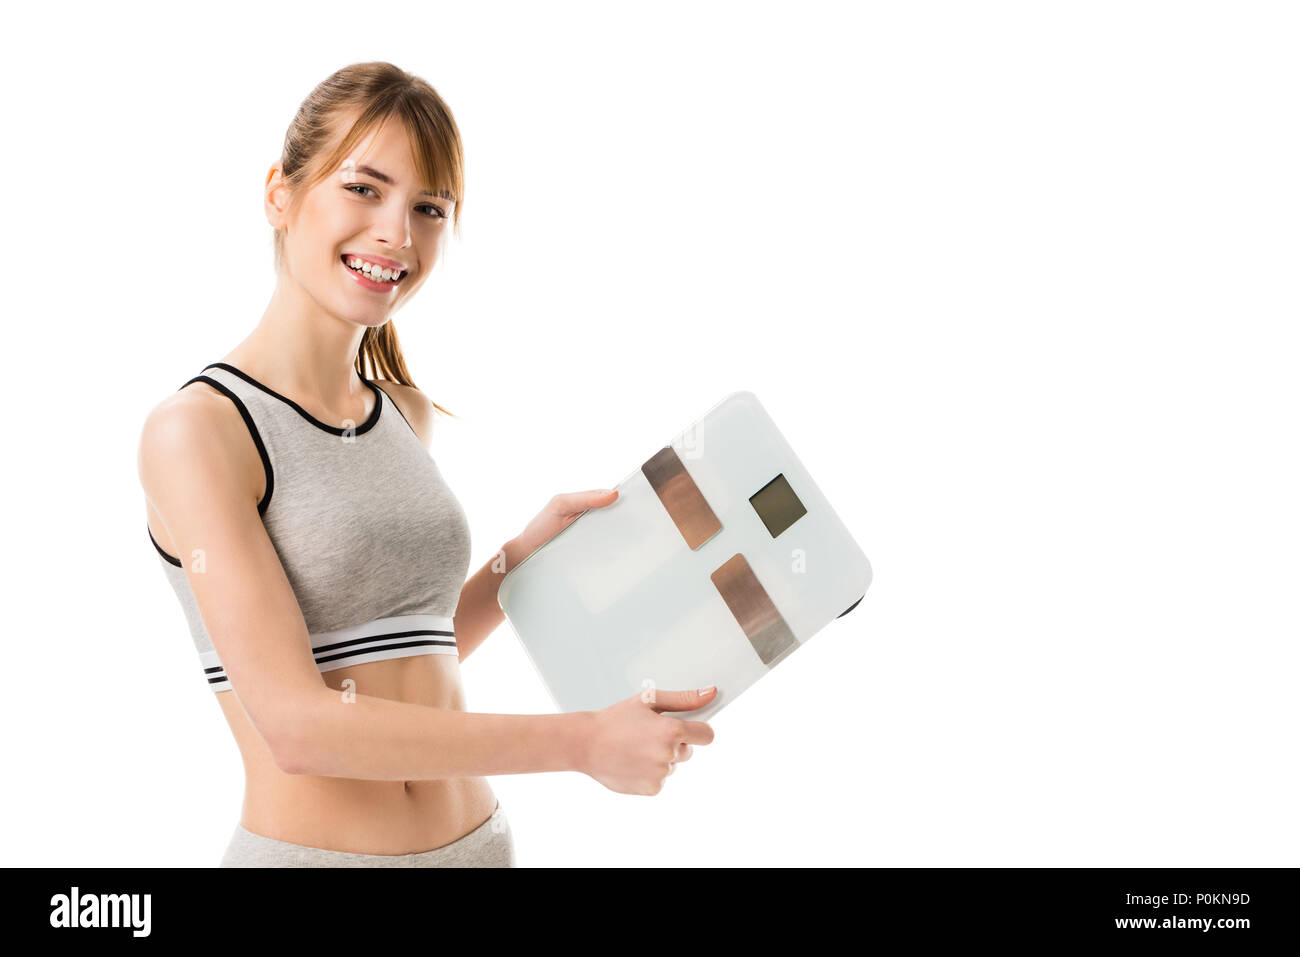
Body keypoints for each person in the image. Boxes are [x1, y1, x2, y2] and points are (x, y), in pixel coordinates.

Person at [136, 61, 717, 868]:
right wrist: (582, 741)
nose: (397, 235)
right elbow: (299, 726)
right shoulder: (198, 430)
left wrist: (519, 559)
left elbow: (405, 651)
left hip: (479, 846)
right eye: (365, 189)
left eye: (428, 208)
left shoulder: (401, 413)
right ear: (280, 192)